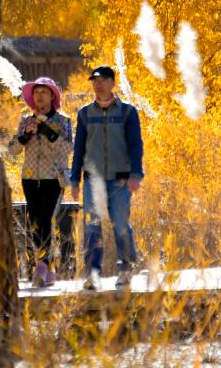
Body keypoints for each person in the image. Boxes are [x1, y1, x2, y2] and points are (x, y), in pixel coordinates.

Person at [69, 66, 144, 291]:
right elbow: (79, 147)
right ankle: (93, 274)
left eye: (102, 80)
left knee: (120, 224)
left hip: (120, 180)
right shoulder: (84, 113)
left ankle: (125, 270)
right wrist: (74, 179)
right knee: (92, 227)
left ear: (113, 82)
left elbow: (135, 144)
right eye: (94, 81)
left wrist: (136, 174)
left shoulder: (128, 112)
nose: (97, 84)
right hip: (93, 180)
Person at [8, 77, 73, 287]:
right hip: (29, 177)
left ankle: (41, 266)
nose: (40, 96)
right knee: (35, 222)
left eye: (44, 92)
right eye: (36, 92)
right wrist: (24, 137)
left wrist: (47, 132)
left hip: (53, 178)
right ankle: (48, 269)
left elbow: (66, 150)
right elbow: (12, 151)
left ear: (52, 96)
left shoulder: (63, 121)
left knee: (45, 219)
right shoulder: (26, 120)